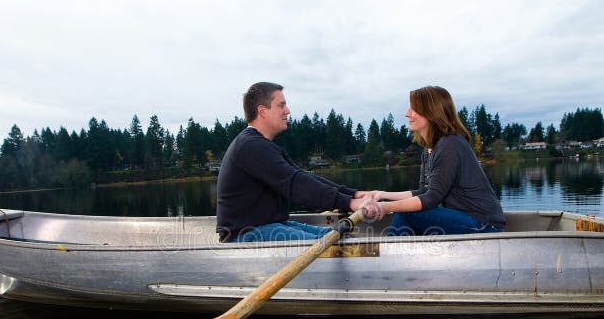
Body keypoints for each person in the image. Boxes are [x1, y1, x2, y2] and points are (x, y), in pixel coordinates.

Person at [216, 82, 376, 242]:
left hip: (267, 226)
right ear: (262, 111)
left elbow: (302, 176)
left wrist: (353, 194)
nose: (287, 111)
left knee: (343, 238)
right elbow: (296, 184)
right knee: (336, 246)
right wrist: (351, 203)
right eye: (281, 105)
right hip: (246, 234)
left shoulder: (260, 145)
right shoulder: (251, 146)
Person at [370, 86, 506, 235]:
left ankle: (391, 250)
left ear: (431, 113)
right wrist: (382, 195)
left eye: (414, 109)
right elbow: (424, 192)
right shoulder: (429, 149)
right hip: (466, 219)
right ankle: (398, 249)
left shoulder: (450, 144)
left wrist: (386, 207)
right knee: (404, 209)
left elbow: (431, 199)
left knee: (406, 212)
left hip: (483, 223)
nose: (407, 114)